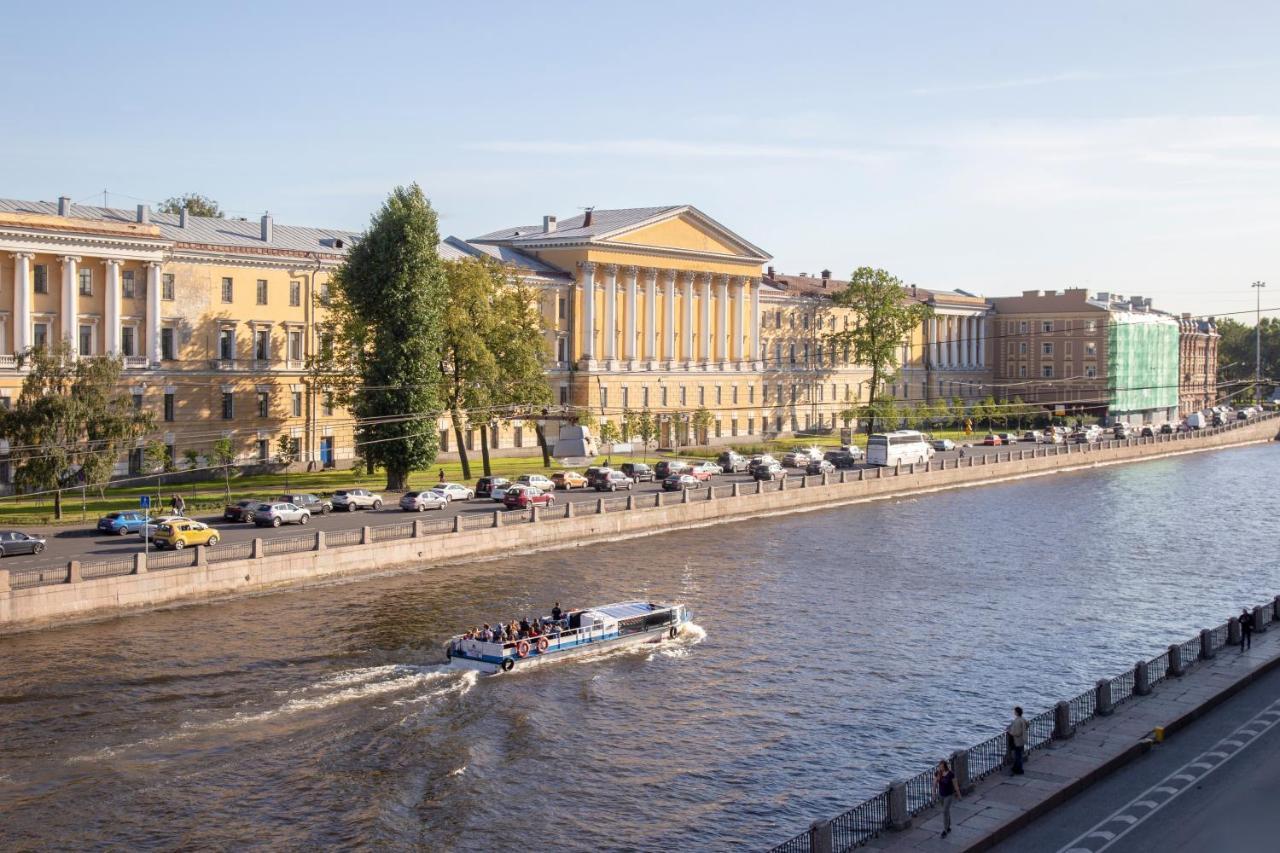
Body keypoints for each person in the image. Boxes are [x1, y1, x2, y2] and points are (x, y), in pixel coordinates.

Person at [935, 759, 960, 837]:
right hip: (941, 795)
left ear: (945, 766)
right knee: (946, 811)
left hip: (949, 795)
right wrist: (933, 793)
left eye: (942, 766)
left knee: (945, 811)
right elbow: (935, 782)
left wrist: (959, 794)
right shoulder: (938, 773)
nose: (941, 768)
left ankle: (945, 830)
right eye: (940, 766)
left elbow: (955, 784)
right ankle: (948, 826)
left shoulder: (950, 774)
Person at [1007, 706, 1028, 775]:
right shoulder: (1023, 719)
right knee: (1019, 754)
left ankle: (1019, 769)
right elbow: (1027, 725)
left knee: (1018, 755)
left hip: (1017, 740)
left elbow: (1017, 732)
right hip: (1022, 740)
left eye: (1015, 711)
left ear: (1017, 712)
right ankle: (1016, 767)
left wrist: (1010, 732)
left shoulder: (1018, 721)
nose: (1014, 712)